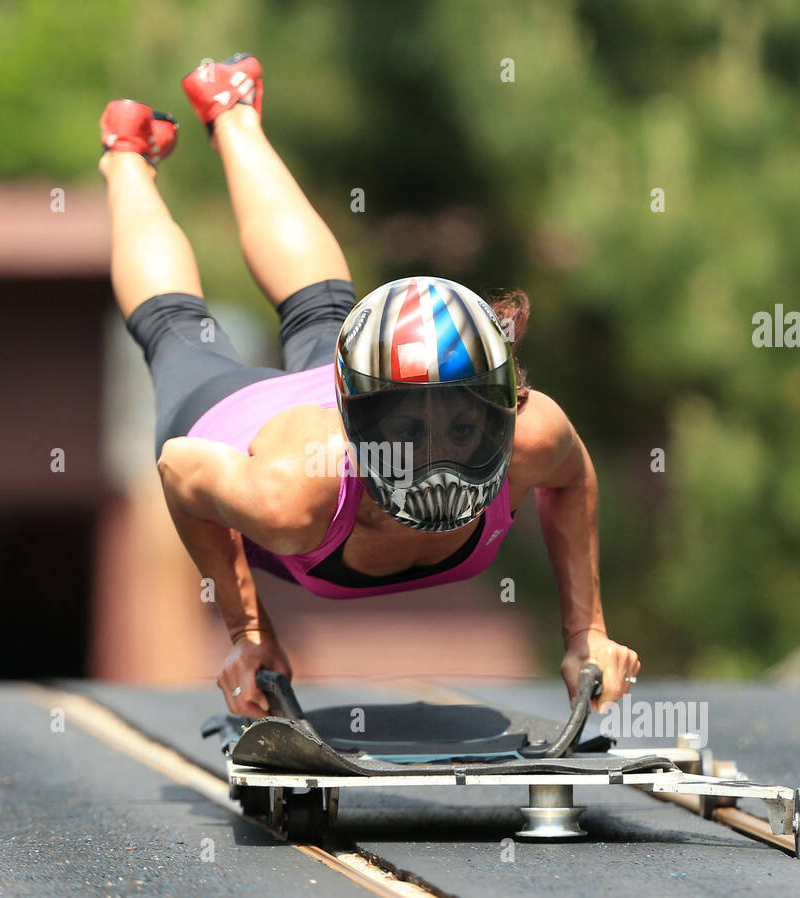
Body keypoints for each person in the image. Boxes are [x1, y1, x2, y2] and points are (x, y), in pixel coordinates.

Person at [99, 53, 640, 718]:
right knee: (176, 327)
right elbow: (178, 466)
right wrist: (251, 633)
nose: (439, 456)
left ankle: (232, 108)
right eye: (411, 433)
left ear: (504, 407)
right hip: (241, 423)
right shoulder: (289, 497)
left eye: (464, 427)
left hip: (354, 409)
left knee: (322, 309)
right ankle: (126, 155)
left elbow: (575, 477)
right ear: (353, 418)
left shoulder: (535, 436)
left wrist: (585, 629)